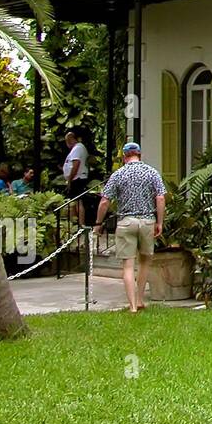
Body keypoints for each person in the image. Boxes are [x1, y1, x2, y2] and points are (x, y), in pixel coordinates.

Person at [94, 142, 166, 313]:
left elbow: (105, 200)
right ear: (139, 155)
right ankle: (140, 299)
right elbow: (161, 197)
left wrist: (98, 223)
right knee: (144, 262)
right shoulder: (151, 172)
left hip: (126, 222)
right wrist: (160, 222)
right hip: (147, 220)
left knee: (128, 266)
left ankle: (132, 306)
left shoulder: (118, 174)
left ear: (125, 156)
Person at [62, 130, 92, 222]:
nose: (67, 142)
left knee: (77, 201)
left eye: (68, 140)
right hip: (76, 178)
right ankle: (74, 224)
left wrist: (70, 180)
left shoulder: (78, 148)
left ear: (72, 139)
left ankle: (80, 224)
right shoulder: (77, 148)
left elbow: (76, 164)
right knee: (73, 202)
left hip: (77, 178)